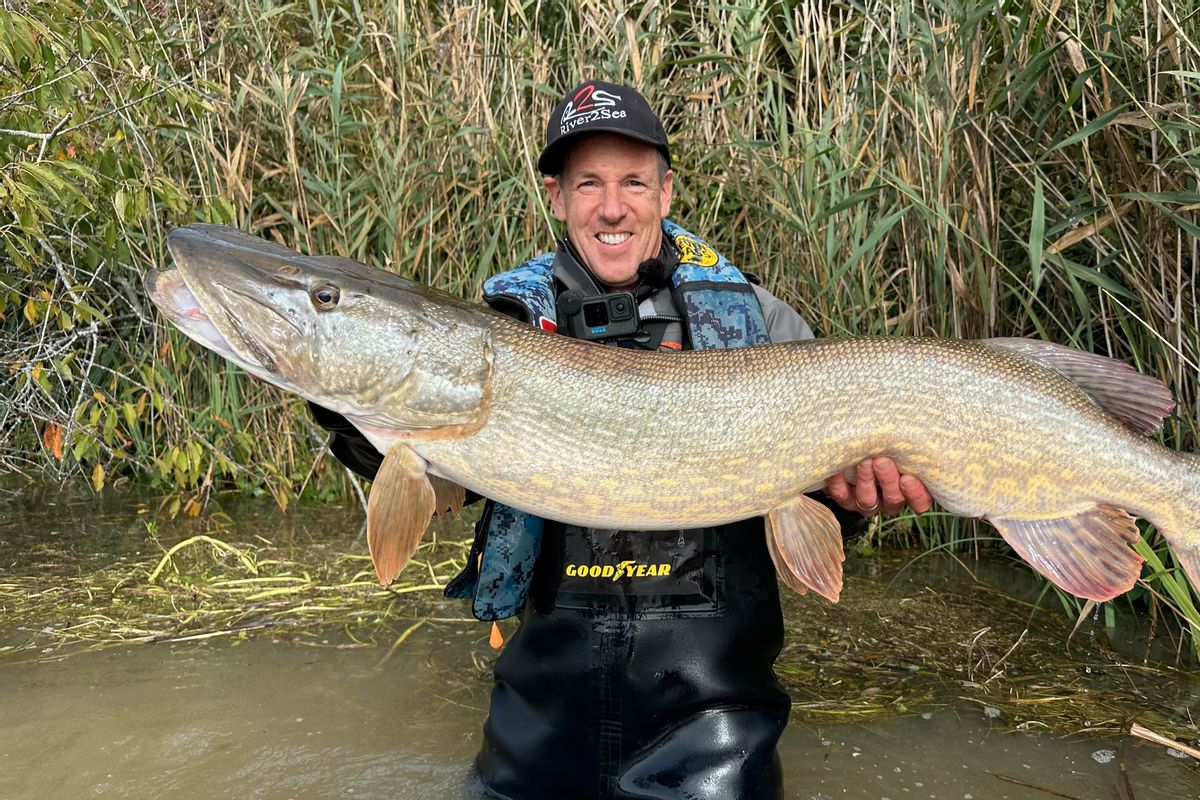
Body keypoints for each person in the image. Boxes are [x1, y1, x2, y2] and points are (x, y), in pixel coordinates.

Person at [312, 81, 932, 800]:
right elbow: (441, 482)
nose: (612, 207)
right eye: (589, 184)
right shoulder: (502, 327)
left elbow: (823, 500)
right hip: (536, 726)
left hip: (712, 732)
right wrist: (343, 402)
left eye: (634, 181)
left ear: (666, 193)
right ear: (557, 197)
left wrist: (855, 502)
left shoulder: (759, 324)